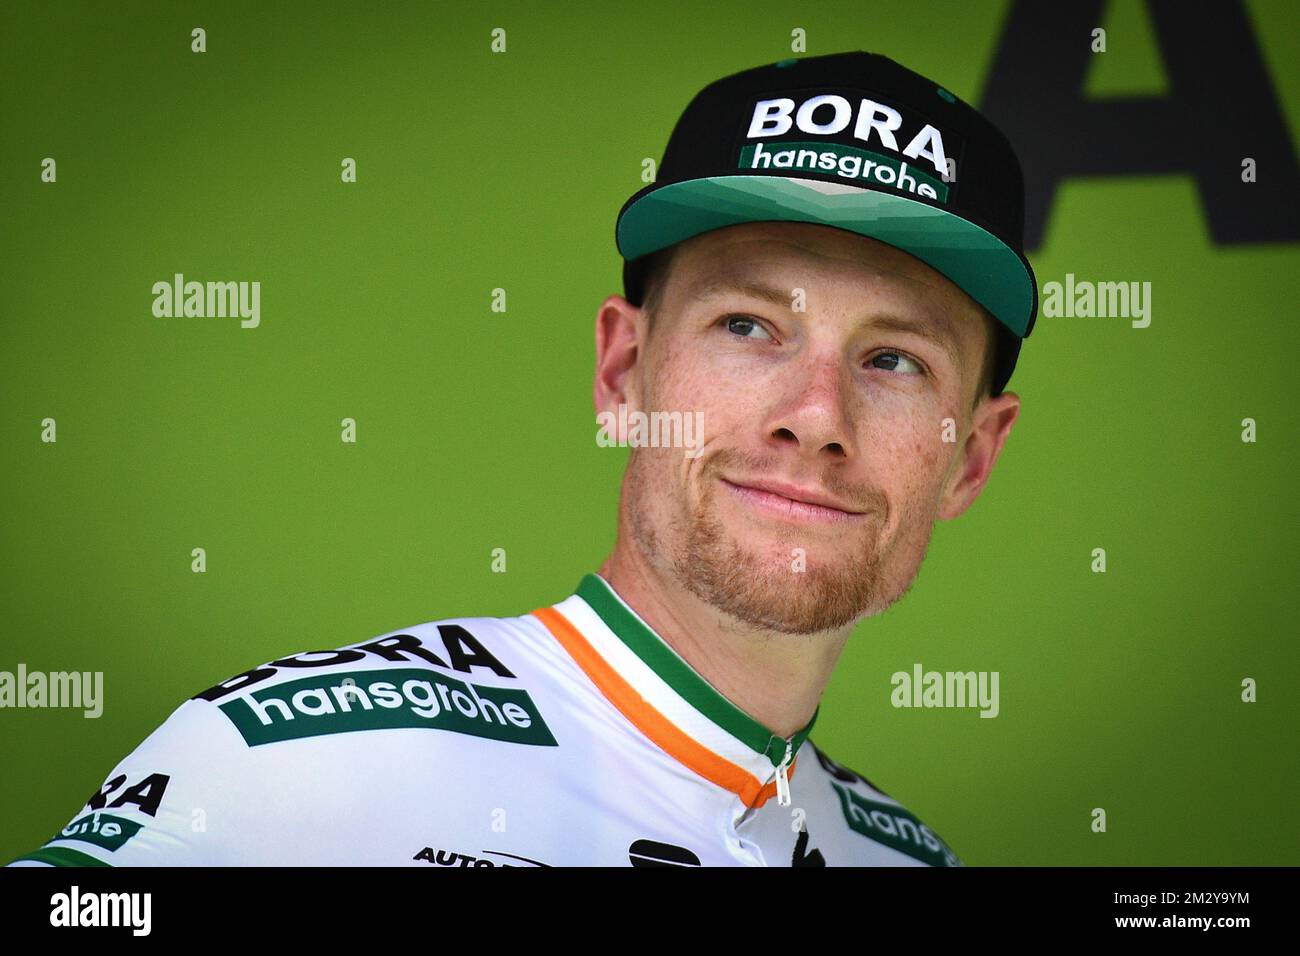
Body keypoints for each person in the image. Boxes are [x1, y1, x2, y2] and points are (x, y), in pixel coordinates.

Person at [8, 49, 1035, 867]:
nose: (815, 417)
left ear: (974, 456)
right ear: (623, 371)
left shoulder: (910, 858)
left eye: (894, 358)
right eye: (747, 326)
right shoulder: (297, 760)